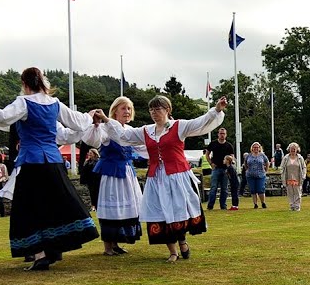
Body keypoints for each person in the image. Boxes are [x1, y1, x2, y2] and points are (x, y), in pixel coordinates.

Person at [0, 67, 99, 271]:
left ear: (25, 84)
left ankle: (41, 254)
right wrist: (89, 116)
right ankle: (53, 250)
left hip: (32, 162)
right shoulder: (54, 104)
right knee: (55, 205)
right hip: (53, 162)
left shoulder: (23, 102)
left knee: (29, 208)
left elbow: (2, 117)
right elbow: (76, 124)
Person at [96, 94, 227, 262]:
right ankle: (173, 251)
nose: (154, 113)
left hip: (177, 176)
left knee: (178, 211)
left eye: (157, 109)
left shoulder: (179, 126)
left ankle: (182, 242)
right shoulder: (146, 130)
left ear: (167, 110)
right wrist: (107, 120)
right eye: (151, 109)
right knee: (160, 212)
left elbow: (200, 123)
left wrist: (216, 109)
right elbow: (123, 136)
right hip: (156, 178)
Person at [83, 96, 145, 256]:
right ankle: (108, 246)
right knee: (112, 207)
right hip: (112, 173)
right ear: (115, 111)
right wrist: (97, 125)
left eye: (129, 108)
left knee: (125, 208)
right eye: (123, 108)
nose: (127, 111)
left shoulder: (130, 131)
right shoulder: (105, 128)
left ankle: (117, 242)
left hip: (127, 172)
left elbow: (143, 147)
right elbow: (94, 140)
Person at [206, 128, 235, 210]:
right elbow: (207, 154)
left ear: (226, 135)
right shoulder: (213, 144)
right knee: (213, 188)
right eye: (221, 133)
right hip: (216, 168)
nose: (222, 135)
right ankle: (210, 206)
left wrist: (229, 162)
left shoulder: (229, 145)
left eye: (224, 133)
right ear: (218, 134)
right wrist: (211, 163)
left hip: (225, 170)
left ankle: (223, 206)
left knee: (224, 189)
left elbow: (232, 156)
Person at [244, 142, 270, 209]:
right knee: (253, 190)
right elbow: (245, 163)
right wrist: (247, 170)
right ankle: (255, 204)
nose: (255, 148)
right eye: (254, 147)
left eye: (257, 147)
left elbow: (267, 162)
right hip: (250, 175)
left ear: (259, 148)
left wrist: (266, 170)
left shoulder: (262, 155)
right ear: (252, 148)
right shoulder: (249, 156)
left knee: (260, 189)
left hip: (260, 175)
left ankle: (263, 202)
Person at [281, 142, 306, 211]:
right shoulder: (286, 158)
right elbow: (282, 167)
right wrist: (282, 174)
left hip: (297, 177)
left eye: (294, 149)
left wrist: (303, 175)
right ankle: (292, 205)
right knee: (290, 192)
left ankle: (297, 206)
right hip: (288, 177)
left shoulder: (300, 158)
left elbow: (304, 167)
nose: (293, 150)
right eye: (291, 149)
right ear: (289, 149)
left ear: (297, 149)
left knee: (297, 192)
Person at [78, 147, 101, 212]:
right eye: (89, 153)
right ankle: (93, 205)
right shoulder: (87, 162)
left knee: (97, 193)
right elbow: (84, 171)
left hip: (97, 180)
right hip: (90, 181)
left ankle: (97, 206)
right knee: (92, 193)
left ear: (94, 154)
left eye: (91, 153)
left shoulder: (98, 161)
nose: (89, 154)